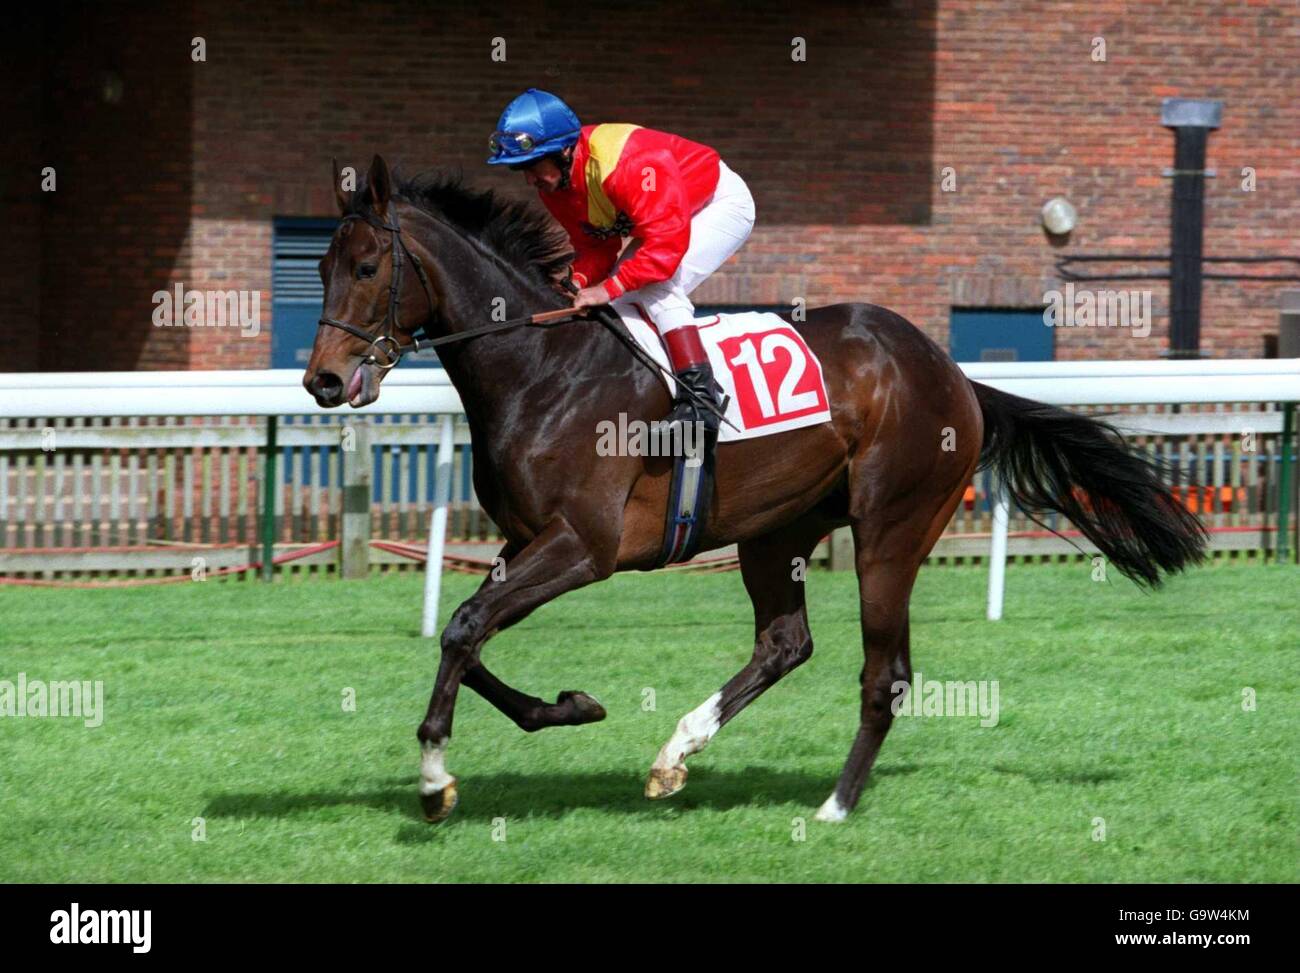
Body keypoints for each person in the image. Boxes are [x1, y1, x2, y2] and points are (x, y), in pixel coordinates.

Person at [487, 88, 755, 433]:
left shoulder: (628, 165)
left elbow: (665, 250)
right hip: (665, 221)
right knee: (621, 297)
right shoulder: (557, 187)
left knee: (655, 287)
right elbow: (598, 246)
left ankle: (700, 401)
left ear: (564, 151)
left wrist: (608, 287)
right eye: (519, 170)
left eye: (532, 165)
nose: (529, 179)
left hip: (719, 204)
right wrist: (574, 283)